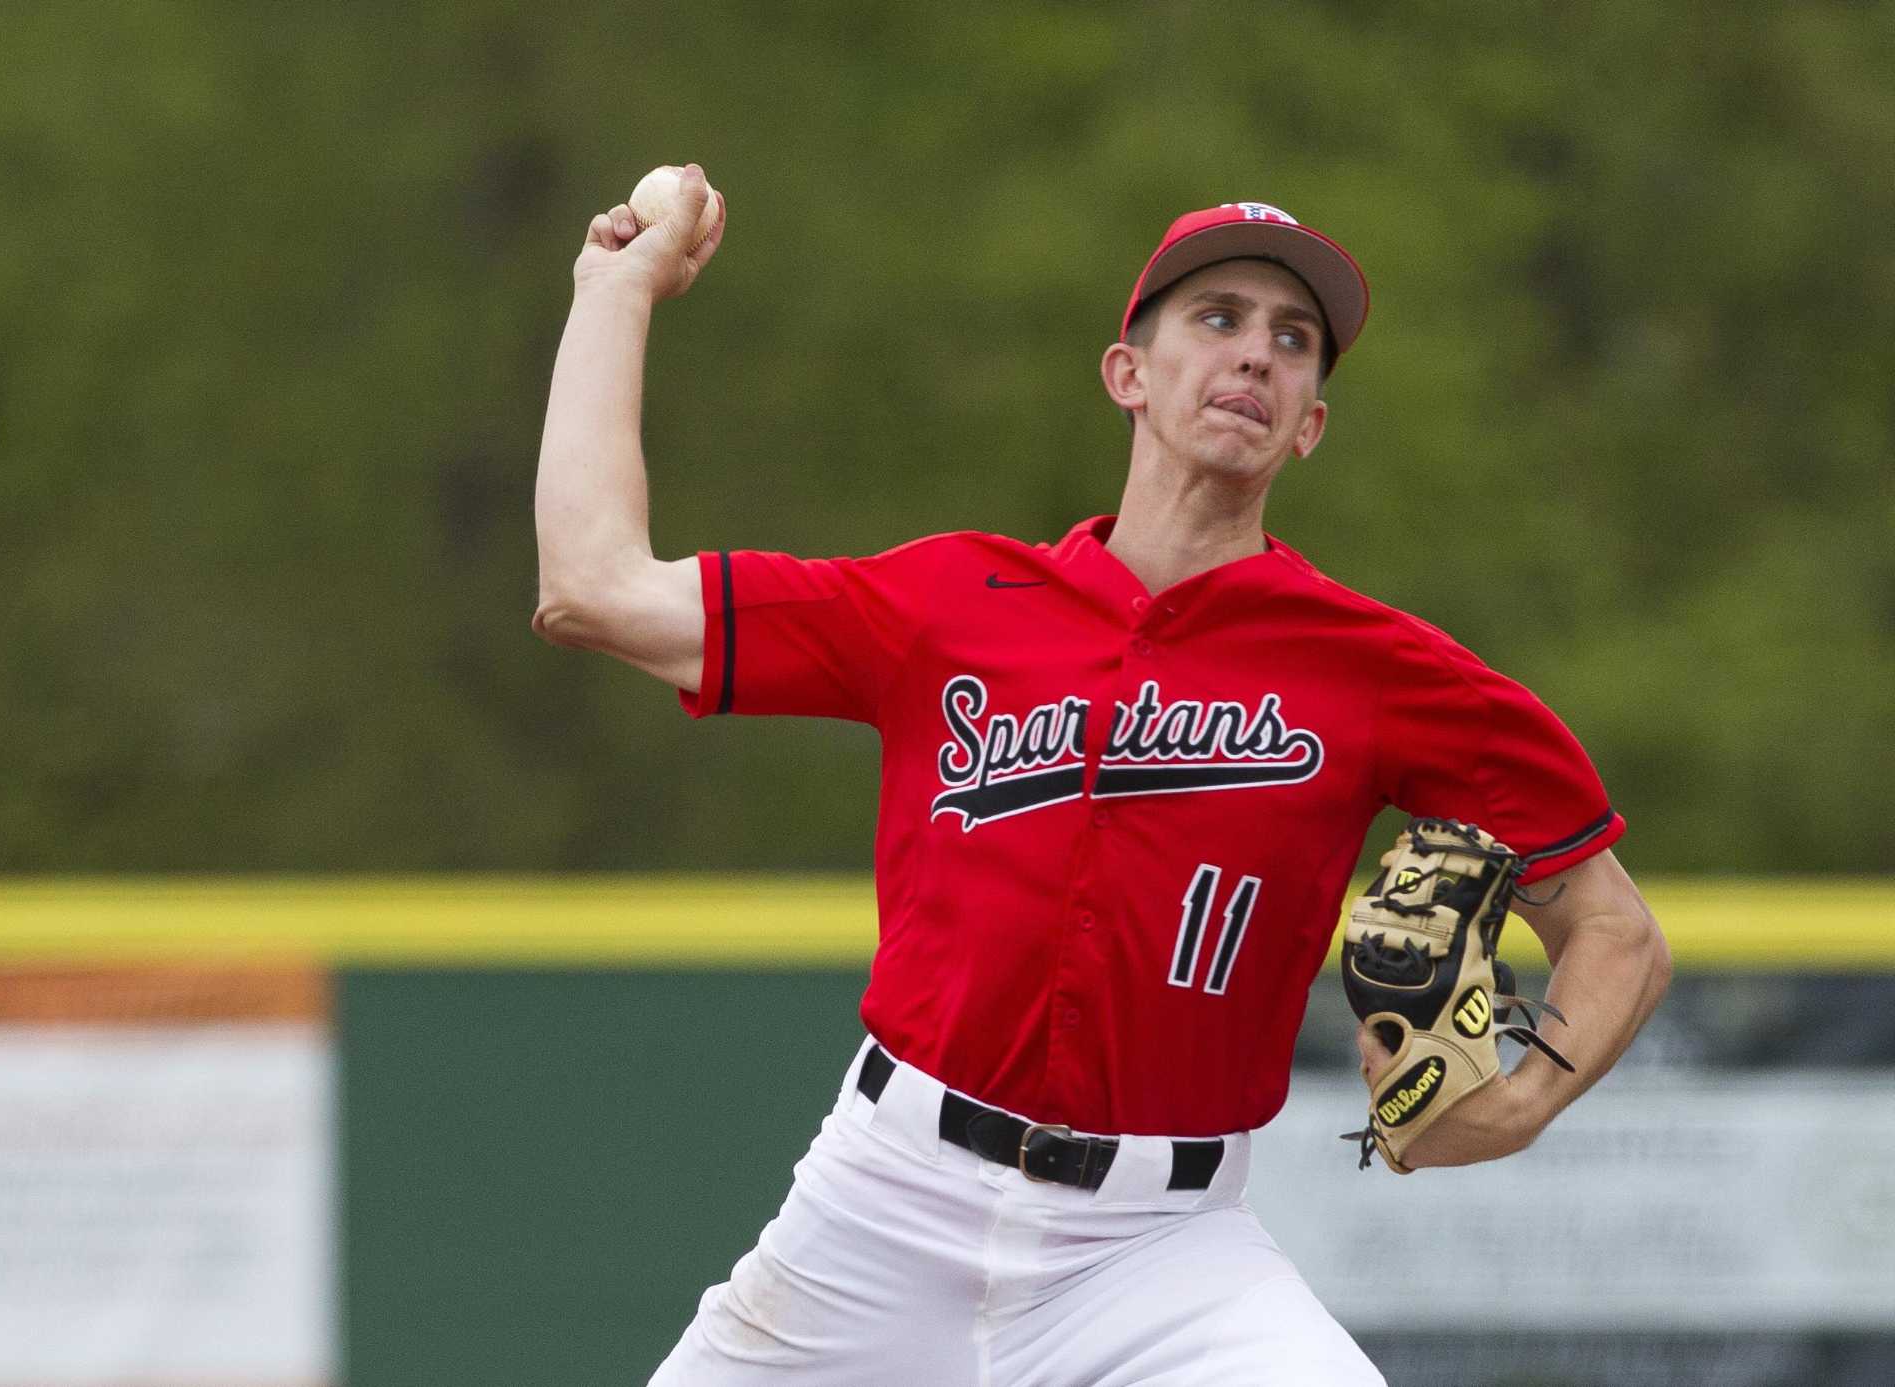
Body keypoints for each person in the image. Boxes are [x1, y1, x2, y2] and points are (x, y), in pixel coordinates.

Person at [534, 166, 1673, 1385]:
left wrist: (1515, 1105)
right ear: (1127, 375)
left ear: (1308, 425)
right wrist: (616, 289)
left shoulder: (1382, 672)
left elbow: (1613, 927)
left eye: (1294, 343)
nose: (1255, 357)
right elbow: (590, 587)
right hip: (877, 1217)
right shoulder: (945, 604)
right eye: (1217, 319)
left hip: (1157, 1255)